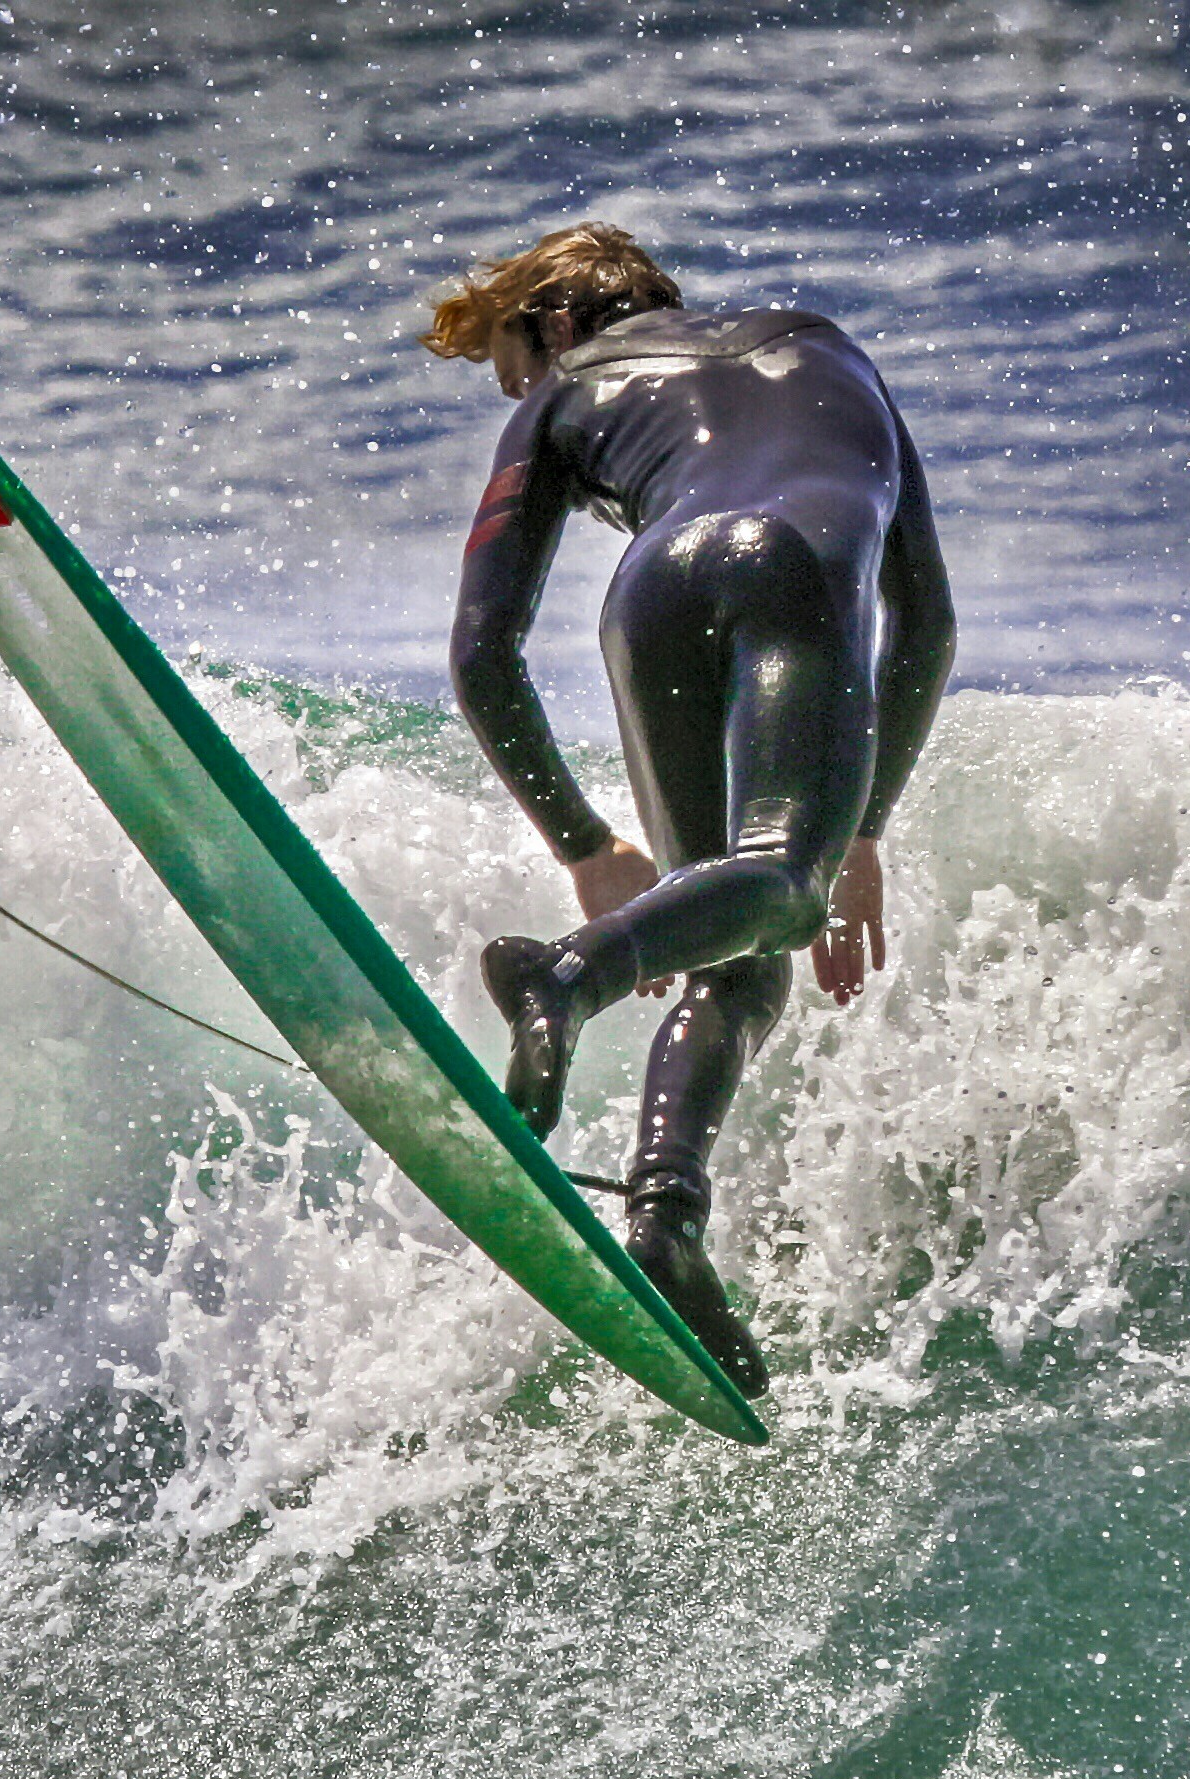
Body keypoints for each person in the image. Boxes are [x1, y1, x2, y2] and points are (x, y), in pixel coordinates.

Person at [420, 223, 955, 1398]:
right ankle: (569, 980)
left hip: (651, 591)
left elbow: (480, 654)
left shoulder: (569, 391)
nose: (519, 381)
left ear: (557, 318)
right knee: (785, 885)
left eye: (512, 353)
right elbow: (928, 626)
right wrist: (862, 827)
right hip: (798, 565)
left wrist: (581, 842)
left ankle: (665, 1215)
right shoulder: (828, 346)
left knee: (745, 948)